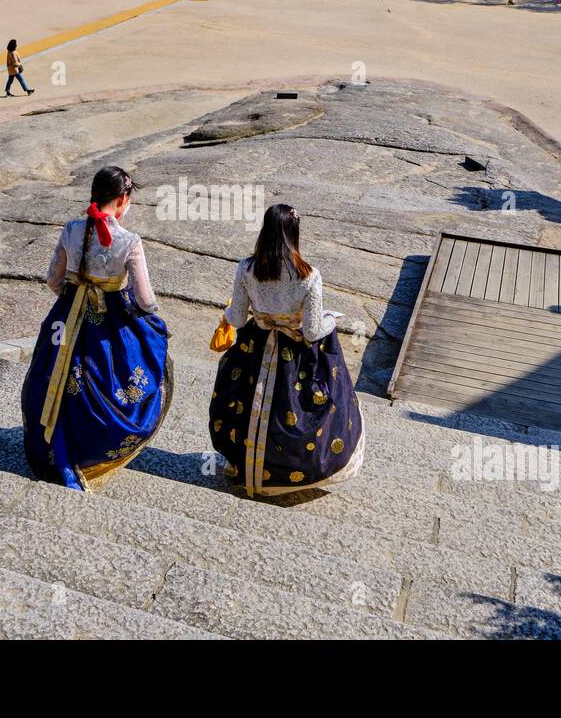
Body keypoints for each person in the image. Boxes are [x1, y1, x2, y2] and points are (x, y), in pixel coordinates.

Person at [20, 166, 170, 491]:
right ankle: (90, 450)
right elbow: (146, 299)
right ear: (122, 199)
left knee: (52, 375)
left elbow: (53, 280)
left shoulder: (72, 229)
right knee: (117, 376)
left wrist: (73, 296)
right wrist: (149, 319)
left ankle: (51, 444)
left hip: (65, 317)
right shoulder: (130, 241)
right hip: (108, 325)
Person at [207, 204, 364, 497]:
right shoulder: (309, 276)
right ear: (294, 235)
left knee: (244, 405)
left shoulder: (247, 267)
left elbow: (239, 318)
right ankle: (289, 471)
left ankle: (246, 465)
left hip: (255, 345)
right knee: (293, 412)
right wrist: (333, 319)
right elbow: (313, 331)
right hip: (295, 355)